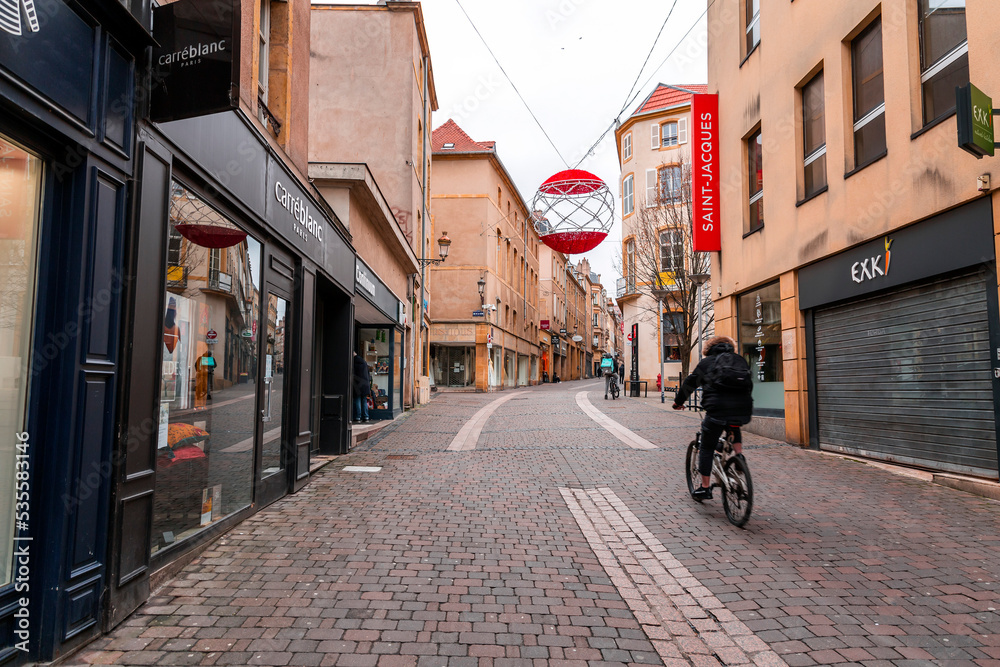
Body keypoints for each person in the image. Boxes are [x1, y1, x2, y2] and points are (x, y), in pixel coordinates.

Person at [673, 336, 753, 501]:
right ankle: (739, 456)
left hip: (717, 409)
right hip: (742, 408)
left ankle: (704, 488)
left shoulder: (707, 363)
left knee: (707, 447)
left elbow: (690, 383)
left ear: (708, 349)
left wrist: (678, 402)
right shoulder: (739, 360)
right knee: (734, 425)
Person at [352, 351, 371, 423]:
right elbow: (368, 374)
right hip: (365, 385)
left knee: (357, 400)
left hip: (357, 384)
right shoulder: (364, 362)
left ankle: (357, 417)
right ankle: (366, 417)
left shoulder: (353, 363)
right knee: (364, 401)